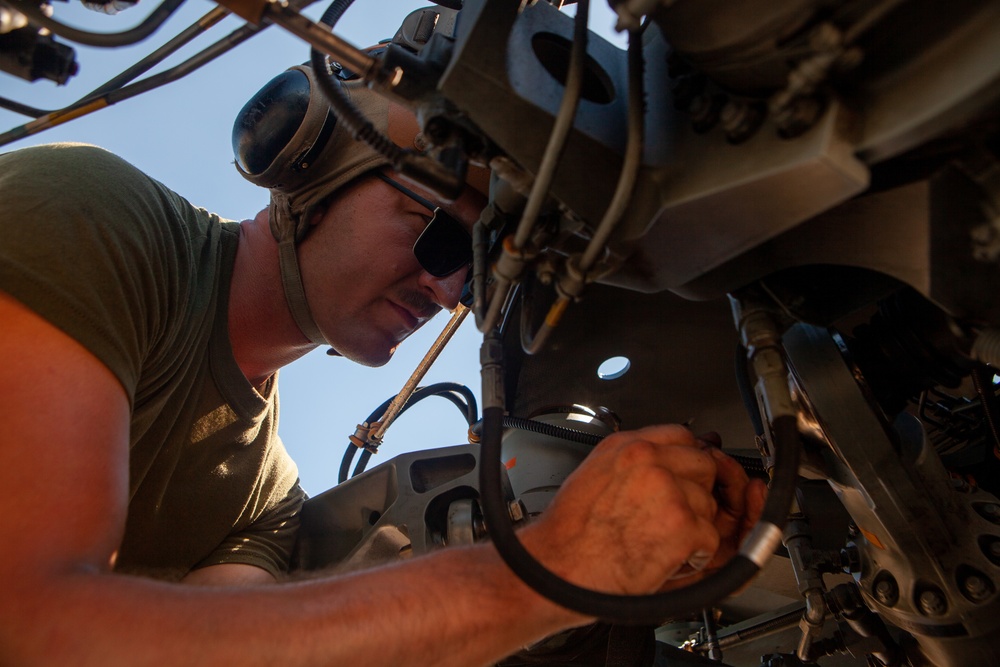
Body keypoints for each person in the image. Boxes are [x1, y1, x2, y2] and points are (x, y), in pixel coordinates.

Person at [0, 64, 767, 665]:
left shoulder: (266, 502)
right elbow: (33, 628)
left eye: (471, 268)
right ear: (307, 166)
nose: (447, 288)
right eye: (435, 232)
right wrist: (556, 564)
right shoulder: (93, 216)